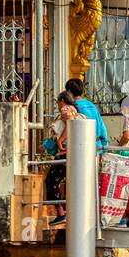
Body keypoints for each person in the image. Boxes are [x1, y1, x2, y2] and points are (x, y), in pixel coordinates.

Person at [44, 90, 77, 226]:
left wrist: (60, 140)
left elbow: (69, 120)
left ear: (62, 100)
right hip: (73, 153)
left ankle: (61, 213)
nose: (58, 105)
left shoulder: (66, 109)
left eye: (58, 102)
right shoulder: (77, 110)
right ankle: (64, 212)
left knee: (51, 181)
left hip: (64, 153)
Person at [65, 77, 110, 152]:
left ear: (69, 92)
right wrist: (104, 148)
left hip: (82, 149)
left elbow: (67, 129)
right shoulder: (92, 105)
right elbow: (102, 128)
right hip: (97, 146)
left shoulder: (72, 107)